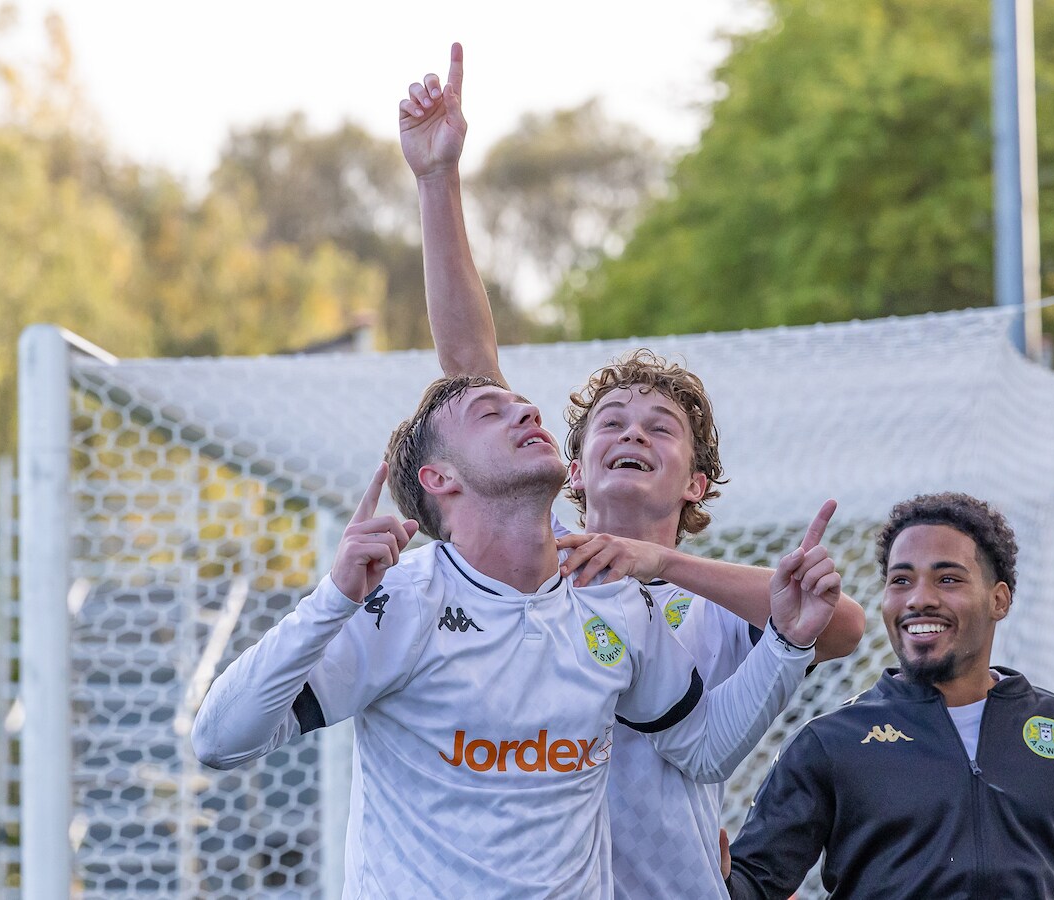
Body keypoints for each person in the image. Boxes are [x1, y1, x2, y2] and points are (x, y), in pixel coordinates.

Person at [399, 44, 866, 899]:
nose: (633, 432)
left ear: (696, 483)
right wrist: (438, 179)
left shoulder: (715, 603)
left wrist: (665, 565)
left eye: (662, 427)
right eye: (610, 423)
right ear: (572, 471)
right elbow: (469, 367)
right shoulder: (537, 560)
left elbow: (842, 629)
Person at [191, 375, 844, 899]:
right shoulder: (399, 598)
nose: (525, 412)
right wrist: (330, 600)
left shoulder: (616, 603)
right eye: (489, 413)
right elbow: (220, 741)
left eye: (525, 407)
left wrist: (787, 644)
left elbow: (703, 751)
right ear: (440, 479)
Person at [725, 492, 1054, 899]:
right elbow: (750, 886)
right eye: (900, 580)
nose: (918, 599)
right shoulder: (829, 743)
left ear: (999, 600)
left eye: (948, 579)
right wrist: (706, 863)